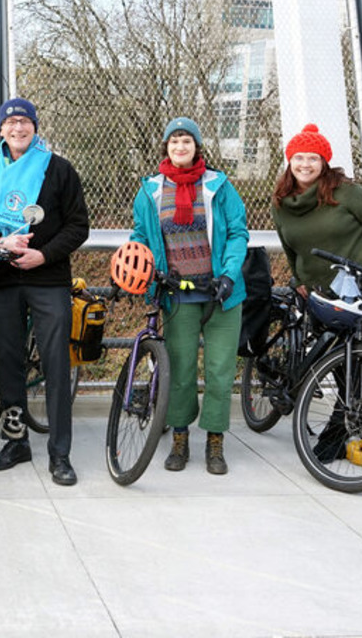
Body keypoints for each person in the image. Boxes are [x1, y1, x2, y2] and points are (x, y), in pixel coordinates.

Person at [0, 98, 90, 486]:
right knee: (9, 366)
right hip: (2, 281)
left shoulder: (59, 170)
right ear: (1, 130)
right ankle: (16, 441)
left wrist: (44, 255)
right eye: (11, 122)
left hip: (47, 279)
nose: (18, 128)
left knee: (55, 363)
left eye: (25, 122)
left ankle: (60, 453)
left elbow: (78, 226)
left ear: (35, 128)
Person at [130, 116, 248, 475]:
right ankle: (179, 437)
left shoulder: (219, 185)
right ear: (165, 147)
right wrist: (142, 267)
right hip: (177, 295)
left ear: (198, 147)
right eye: (174, 141)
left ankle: (215, 440)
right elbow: (140, 235)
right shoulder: (150, 190)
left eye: (187, 141)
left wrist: (228, 274)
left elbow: (238, 232)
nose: (180, 146)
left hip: (220, 295)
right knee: (179, 371)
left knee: (219, 370)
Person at [270, 123, 362, 341]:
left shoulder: (347, 192)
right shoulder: (281, 202)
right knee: (329, 361)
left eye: (313, 158)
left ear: (323, 163)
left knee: (355, 357)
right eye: (299, 157)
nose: (305, 164)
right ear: (290, 161)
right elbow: (289, 248)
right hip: (317, 294)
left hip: (359, 288)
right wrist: (298, 280)